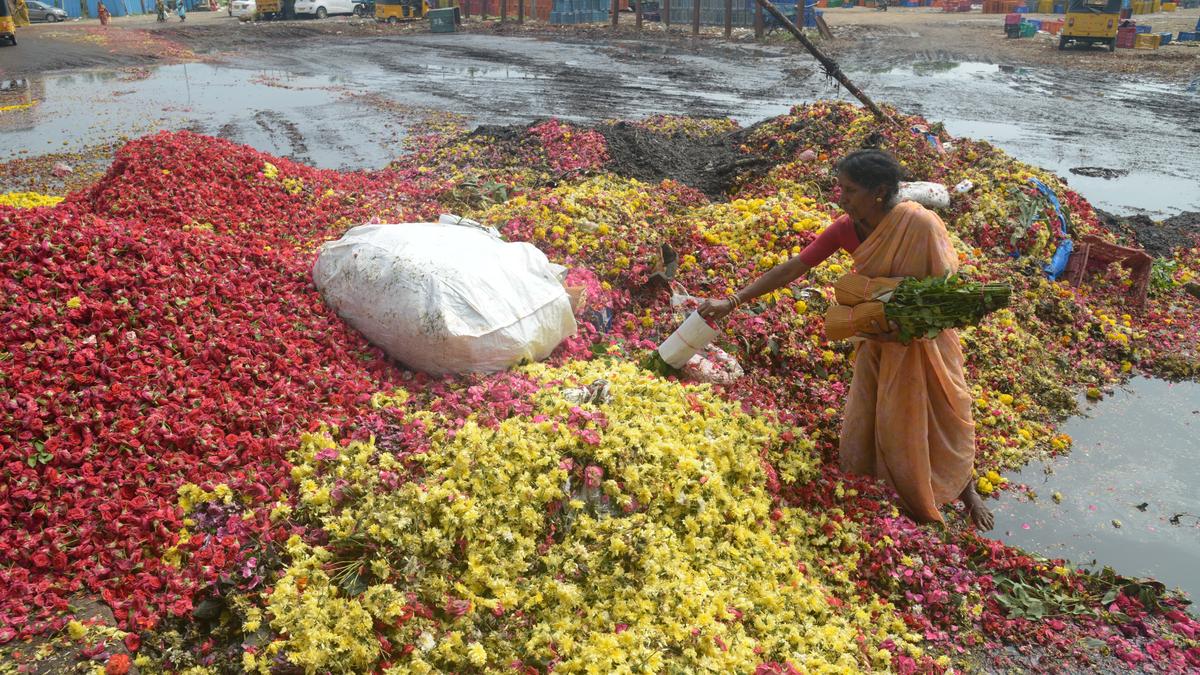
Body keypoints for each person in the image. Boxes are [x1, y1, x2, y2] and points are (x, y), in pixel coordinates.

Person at [699, 149, 994, 531]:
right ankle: (891, 482)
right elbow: (794, 267)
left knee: (943, 411)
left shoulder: (919, 224)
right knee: (882, 414)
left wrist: (902, 304)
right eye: (840, 188)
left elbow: (946, 286)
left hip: (925, 336)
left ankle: (965, 487)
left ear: (879, 191)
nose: (841, 197)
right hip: (878, 336)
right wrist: (734, 300)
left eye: (850, 190)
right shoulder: (845, 228)